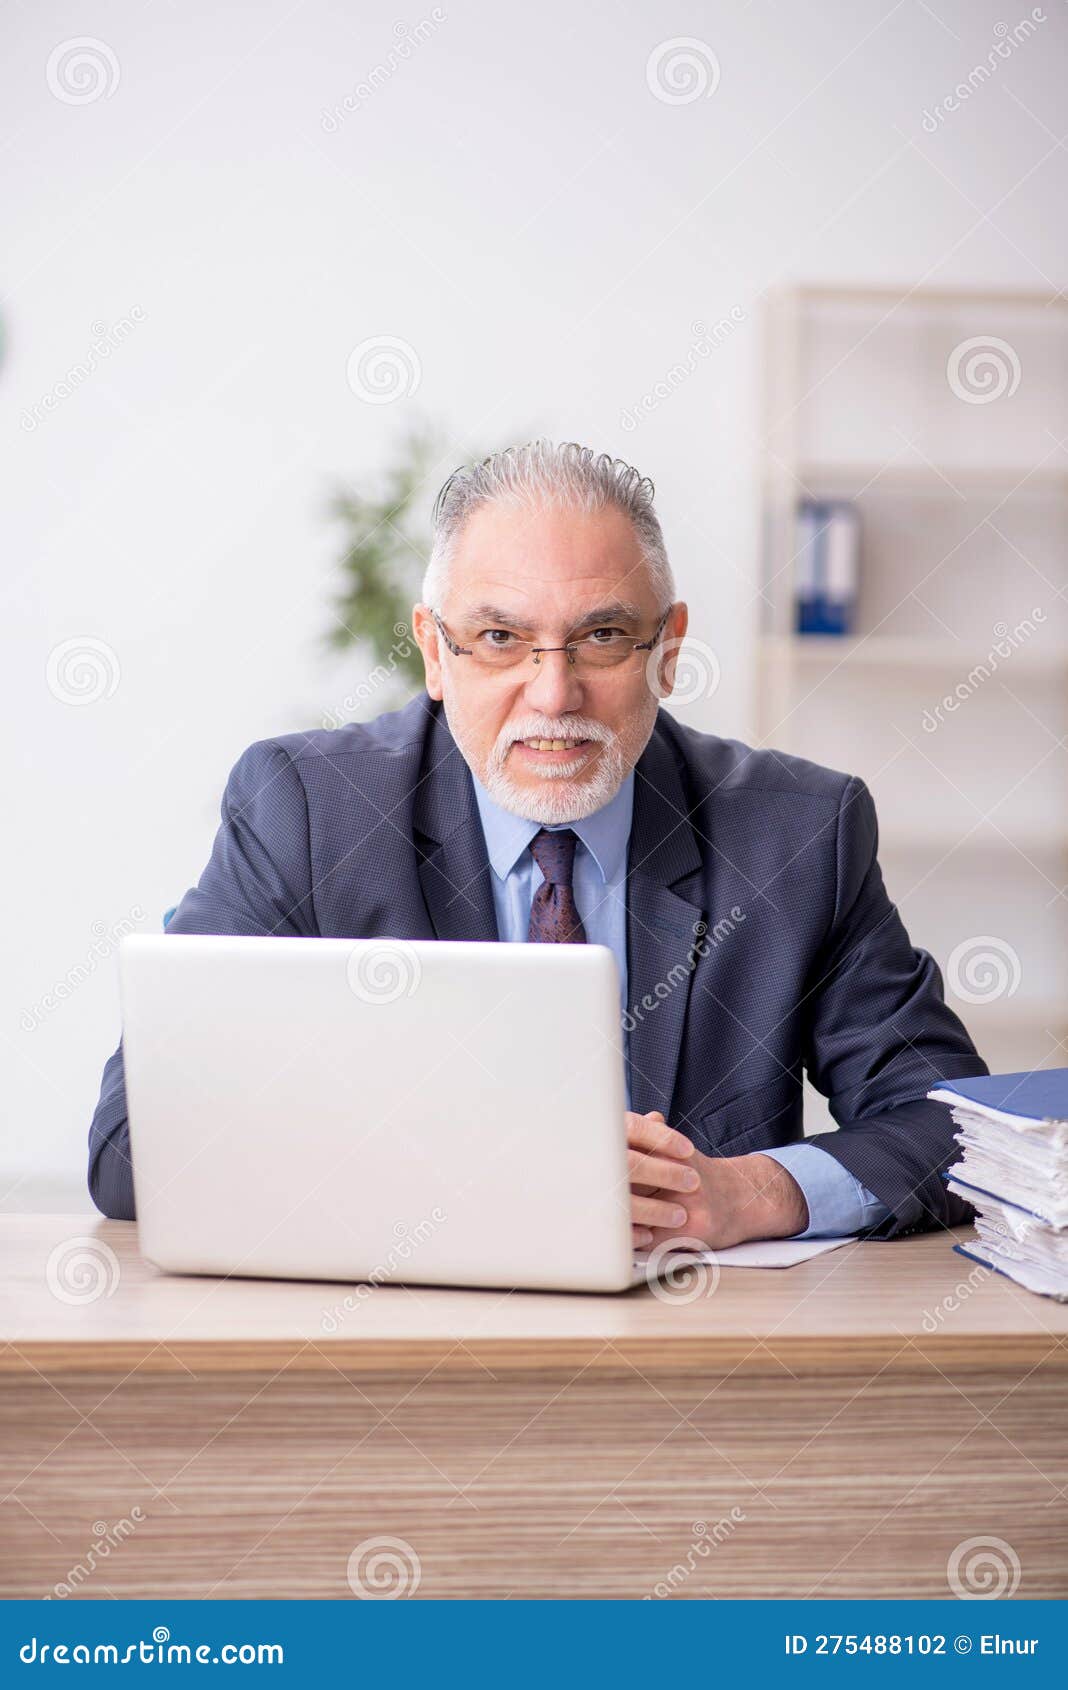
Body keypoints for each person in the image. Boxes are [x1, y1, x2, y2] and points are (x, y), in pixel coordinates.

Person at [89, 439, 986, 1243]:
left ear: (669, 648)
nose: (553, 695)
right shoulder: (309, 813)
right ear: (434, 652)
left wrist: (748, 1195)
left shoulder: (798, 832)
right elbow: (135, 1149)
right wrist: (454, 1186)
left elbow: (959, 1130)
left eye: (603, 636)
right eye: (499, 637)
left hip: (690, 1342)